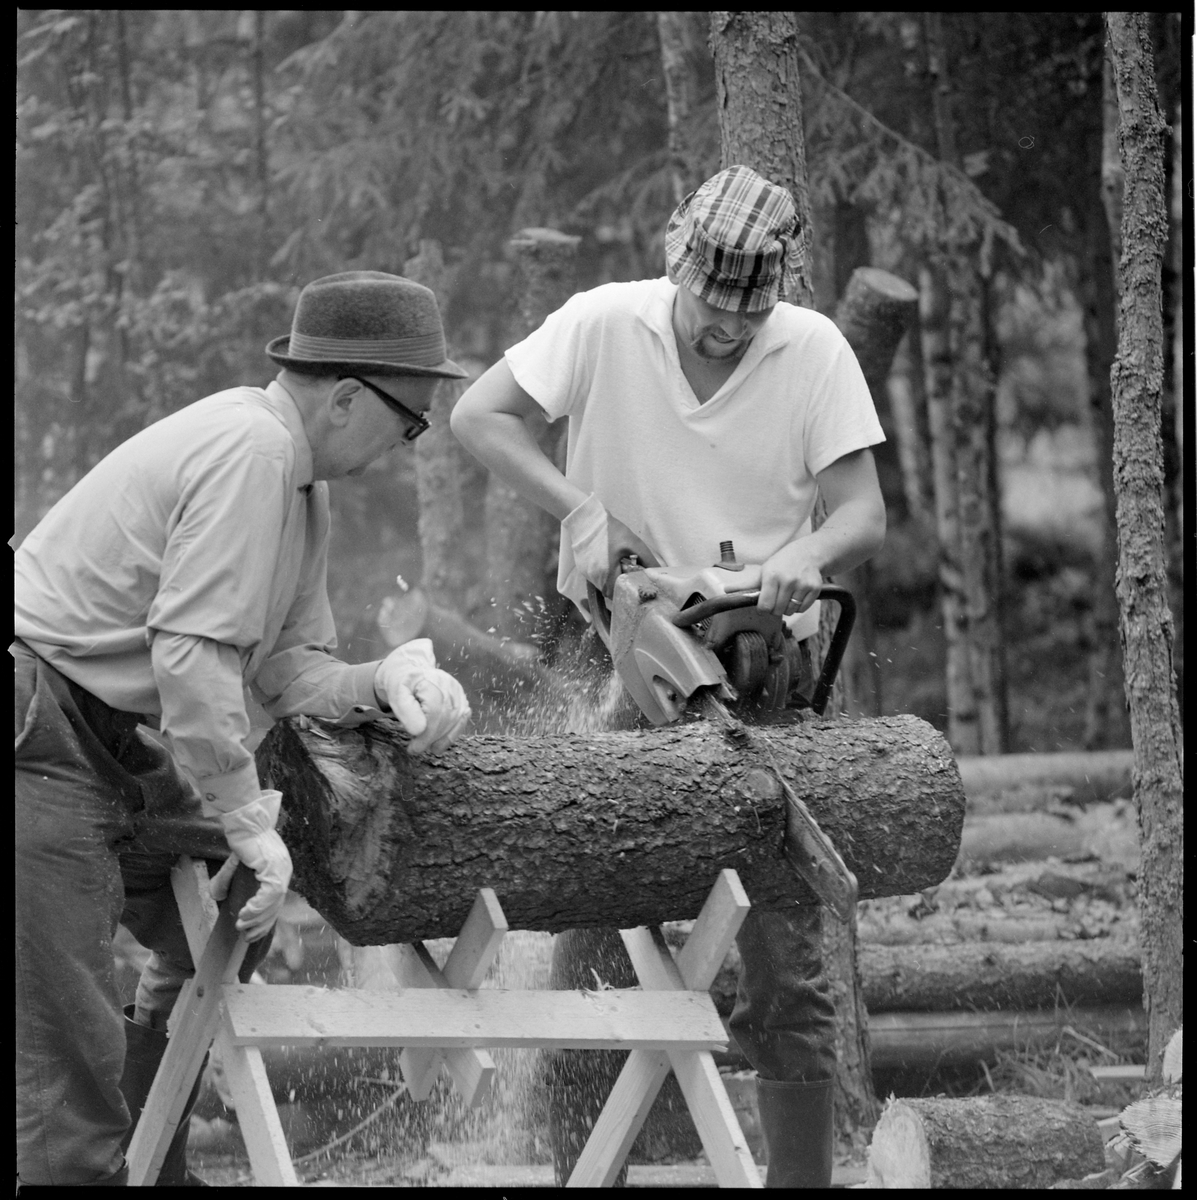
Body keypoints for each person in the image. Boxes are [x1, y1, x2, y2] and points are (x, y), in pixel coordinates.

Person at [451, 165, 886, 1186]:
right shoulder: (603, 324)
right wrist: (575, 505)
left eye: (752, 307)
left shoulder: (812, 350)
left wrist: (810, 561)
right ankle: (583, 1167)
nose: (729, 328)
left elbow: (864, 512)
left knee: (787, 943)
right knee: (593, 919)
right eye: (711, 305)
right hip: (616, 642)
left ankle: (799, 1180)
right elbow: (480, 416)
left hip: (758, 660)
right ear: (675, 264)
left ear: (777, 286)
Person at [14, 271, 473, 1188]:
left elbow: (286, 667)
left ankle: (151, 1159)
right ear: (347, 397)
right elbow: (189, 659)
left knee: (230, 915)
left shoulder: (302, 485)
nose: (407, 444)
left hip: (112, 738)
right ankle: (98, 1167)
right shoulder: (252, 451)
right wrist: (244, 818)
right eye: (410, 421)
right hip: (40, 729)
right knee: (69, 1044)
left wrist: (385, 683)